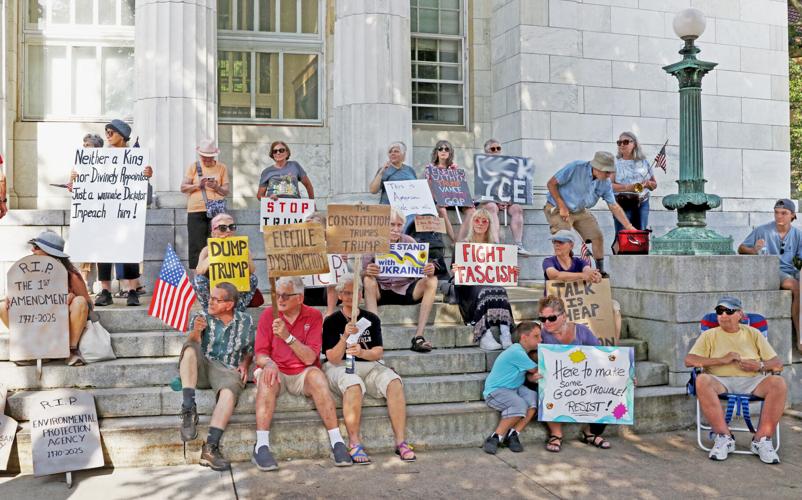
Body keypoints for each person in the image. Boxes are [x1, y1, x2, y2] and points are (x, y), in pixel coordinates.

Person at [251, 277, 352, 470]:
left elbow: (309, 358)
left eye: (285, 295)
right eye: (277, 295)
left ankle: (337, 441)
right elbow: (260, 355)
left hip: (302, 371)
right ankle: (261, 446)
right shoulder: (268, 315)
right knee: (266, 378)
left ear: (299, 298)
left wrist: (287, 337)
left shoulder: (313, 316)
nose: (280, 299)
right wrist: (269, 363)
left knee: (318, 378)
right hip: (277, 370)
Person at [322, 274, 416, 464]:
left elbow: (378, 352)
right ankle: (354, 443)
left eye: (356, 292)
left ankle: (401, 441)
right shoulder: (331, 320)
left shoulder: (371, 318)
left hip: (368, 364)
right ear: (340, 295)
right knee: (353, 384)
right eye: (347, 293)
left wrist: (362, 353)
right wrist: (344, 338)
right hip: (339, 366)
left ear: (362, 295)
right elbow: (331, 357)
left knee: (394, 381)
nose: (352, 297)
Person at [685, 296, 786, 464]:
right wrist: (721, 360)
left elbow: (777, 364)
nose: (723, 315)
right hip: (720, 381)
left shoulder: (753, 333)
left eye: (729, 311)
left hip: (752, 382)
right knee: (702, 380)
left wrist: (759, 365)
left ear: (740, 314)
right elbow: (689, 360)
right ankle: (724, 437)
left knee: (779, 383)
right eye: (719, 311)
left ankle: (761, 440)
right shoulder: (709, 335)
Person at [178, 282, 254, 471]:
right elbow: (191, 343)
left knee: (228, 392)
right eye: (210, 297)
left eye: (215, 299)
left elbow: (249, 350)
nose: (209, 302)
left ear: (229, 304)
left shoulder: (245, 321)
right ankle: (188, 409)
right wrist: (196, 331)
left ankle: (210, 448)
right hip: (202, 367)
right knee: (188, 350)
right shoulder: (201, 316)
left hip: (227, 369)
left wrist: (245, 364)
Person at [0, 231, 91, 365]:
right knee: (2, 306)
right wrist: (12, 298)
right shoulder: (28, 270)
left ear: (49, 252)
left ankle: (70, 351)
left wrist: (73, 297)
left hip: (61, 325)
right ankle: (32, 349)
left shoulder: (71, 274)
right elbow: (21, 295)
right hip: (35, 323)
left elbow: (89, 304)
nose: (32, 250)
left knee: (80, 302)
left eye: (37, 248)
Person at [538, 294, 611, 452]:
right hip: (555, 379)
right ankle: (556, 433)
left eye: (551, 318)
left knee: (611, 387)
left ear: (563, 316)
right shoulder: (541, 334)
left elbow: (601, 355)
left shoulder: (581, 331)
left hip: (582, 377)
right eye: (542, 319)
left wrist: (624, 373)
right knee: (546, 384)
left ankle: (590, 432)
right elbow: (527, 355)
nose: (546, 323)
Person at [93, 119, 153, 307]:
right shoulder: (101, 158)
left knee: (129, 249)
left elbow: (140, 186)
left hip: (127, 211)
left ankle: (132, 290)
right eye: (106, 132)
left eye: (111, 132)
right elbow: (92, 182)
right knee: (103, 250)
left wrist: (146, 176)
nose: (108, 136)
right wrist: (77, 179)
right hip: (105, 210)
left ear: (122, 135)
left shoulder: (135, 157)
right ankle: (105, 290)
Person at [545, 151, 635, 276]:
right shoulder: (576, 167)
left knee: (597, 236)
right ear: (597, 168)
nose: (609, 175)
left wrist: (629, 227)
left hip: (580, 210)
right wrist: (562, 205)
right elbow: (551, 184)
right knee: (563, 239)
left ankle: (600, 271)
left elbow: (614, 206)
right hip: (557, 206)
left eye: (611, 172)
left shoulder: (605, 182)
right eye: (607, 172)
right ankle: (560, 273)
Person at [362, 209, 438, 353]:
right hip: (381, 290)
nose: (396, 229)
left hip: (406, 288)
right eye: (392, 224)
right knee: (367, 280)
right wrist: (367, 271)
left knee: (432, 280)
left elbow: (420, 268)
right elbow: (362, 272)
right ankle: (375, 335)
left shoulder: (409, 241)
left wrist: (428, 269)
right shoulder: (373, 243)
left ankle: (419, 336)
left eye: (399, 225)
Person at [738, 199, 802, 351]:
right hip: (770, 271)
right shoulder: (763, 230)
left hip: (790, 270)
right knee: (795, 286)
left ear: (792, 215)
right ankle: (800, 336)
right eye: (776, 212)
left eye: (784, 213)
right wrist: (754, 250)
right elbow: (741, 248)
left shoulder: (797, 234)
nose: (779, 216)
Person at [452, 208, 516, 351]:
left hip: (488, 282)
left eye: (484, 221)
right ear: (472, 223)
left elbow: (500, 271)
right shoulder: (463, 245)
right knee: (482, 291)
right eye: (477, 220)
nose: (480, 224)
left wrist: (511, 271)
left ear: (489, 224)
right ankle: (485, 334)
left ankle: (505, 332)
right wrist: (456, 269)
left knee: (501, 290)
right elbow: (454, 271)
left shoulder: (495, 247)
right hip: (468, 286)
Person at [481, 321, 542, 454]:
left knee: (534, 399)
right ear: (524, 338)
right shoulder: (516, 351)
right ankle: (495, 437)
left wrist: (533, 378)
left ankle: (513, 434)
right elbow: (536, 369)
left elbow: (529, 375)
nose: (541, 340)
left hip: (514, 388)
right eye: (536, 336)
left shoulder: (524, 353)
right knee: (520, 404)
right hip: (496, 391)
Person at [180, 139, 230, 272]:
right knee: (196, 244)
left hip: (217, 211)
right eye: (204, 157)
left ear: (214, 155)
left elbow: (226, 191)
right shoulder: (193, 167)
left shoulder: (222, 167)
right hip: (196, 210)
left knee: (218, 242)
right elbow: (183, 188)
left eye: (209, 157)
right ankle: (198, 276)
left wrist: (216, 186)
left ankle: (216, 274)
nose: (206, 160)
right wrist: (198, 185)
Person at [193, 213, 258, 312]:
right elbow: (199, 271)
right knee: (198, 280)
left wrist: (243, 255)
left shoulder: (242, 247)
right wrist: (215, 254)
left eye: (232, 227)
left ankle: (237, 312)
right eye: (223, 228)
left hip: (236, 288)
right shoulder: (207, 250)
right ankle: (210, 311)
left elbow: (252, 270)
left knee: (253, 278)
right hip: (215, 289)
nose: (228, 231)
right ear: (214, 232)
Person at [480, 139, 531, 256]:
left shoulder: (510, 165)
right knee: (492, 208)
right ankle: (495, 243)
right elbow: (482, 190)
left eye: (498, 148)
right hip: (490, 200)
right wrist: (497, 200)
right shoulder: (482, 165)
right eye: (493, 149)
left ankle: (518, 244)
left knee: (517, 208)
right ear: (486, 151)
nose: (496, 151)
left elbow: (516, 185)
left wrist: (510, 200)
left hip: (508, 200)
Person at [424, 140, 475, 242]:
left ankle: (460, 238)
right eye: (440, 149)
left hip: (454, 198)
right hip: (439, 198)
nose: (443, 151)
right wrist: (440, 199)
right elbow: (430, 188)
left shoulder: (454, 168)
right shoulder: (430, 168)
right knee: (441, 209)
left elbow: (460, 187)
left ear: (450, 152)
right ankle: (454, 240)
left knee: (471, 210)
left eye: (446, 149)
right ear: (436, 152)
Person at [611, 131, 657, 232]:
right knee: (623, 235)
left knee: (641, 234)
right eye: (619, 142)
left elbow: (654, 184)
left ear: (634, 144)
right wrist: (628, 187)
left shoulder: (644, 162)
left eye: (626, 142)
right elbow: (609, 186)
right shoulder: (615, 163)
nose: (622, 145)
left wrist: (649, 184)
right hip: (622, 204)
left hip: (642, 203)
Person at [302, 212, 340, 318]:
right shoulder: (300, 246)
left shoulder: (333, 247)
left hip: (326, 292)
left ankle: (330, 311)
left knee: (333, 272)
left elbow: (339, 271)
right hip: (306, 292)